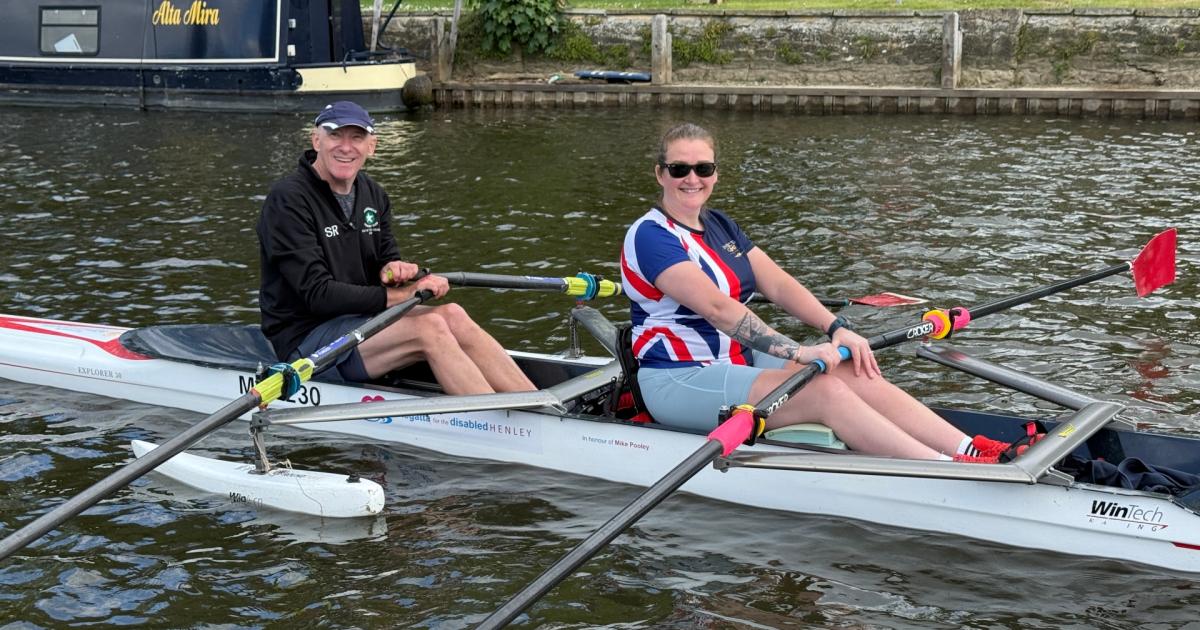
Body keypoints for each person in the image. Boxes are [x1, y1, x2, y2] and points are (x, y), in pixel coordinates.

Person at [619, 122, 1013, 462]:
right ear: (660, 174)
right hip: (679, 378)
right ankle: (947, 470)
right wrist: (798, 352)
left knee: (850, 368)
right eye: (679, 169)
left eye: (702, 168)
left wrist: (836, 328)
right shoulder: (651, 236)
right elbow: (718, 308)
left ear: (715, 173)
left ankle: (972, 449)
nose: (692, 178)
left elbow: (777, 283)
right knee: (824, 390)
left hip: (738, 360)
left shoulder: (719, 224)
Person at [257, 101, 535, 395]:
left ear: (372, 146)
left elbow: (385, 261)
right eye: (336, 135)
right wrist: (403, 295)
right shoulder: (287, 200)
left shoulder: (373, 195)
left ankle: (540, 409)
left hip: (361, 323)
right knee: (429, 329)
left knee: (453, 314)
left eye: (356, 137)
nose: (346, 147)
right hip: (308, 341)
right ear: (317, 140)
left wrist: (396, 271)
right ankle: (502, 428)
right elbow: (318, 295)